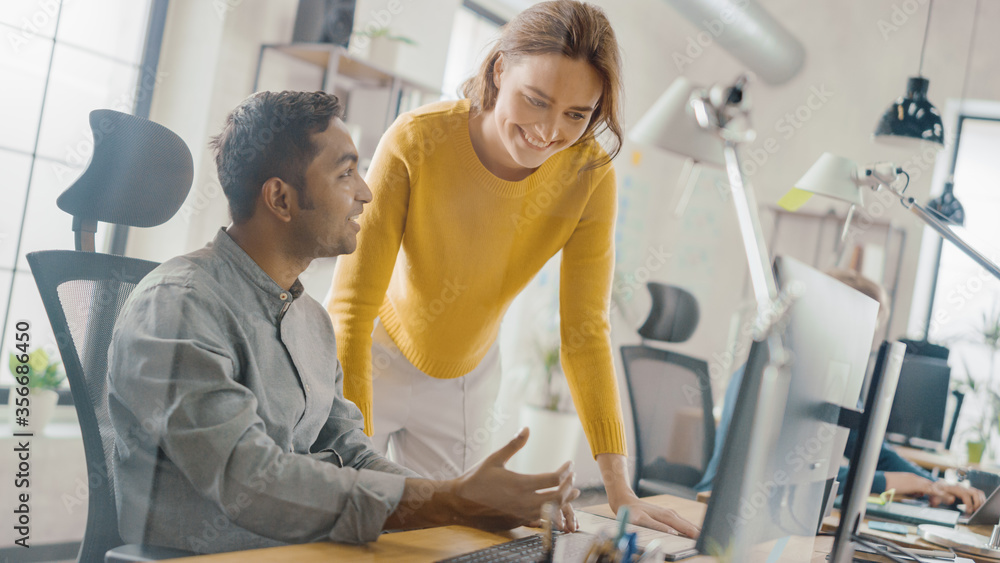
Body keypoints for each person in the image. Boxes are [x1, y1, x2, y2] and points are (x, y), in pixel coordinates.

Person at [107, 91, 579, 555]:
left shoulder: (310, 319)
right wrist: (448, 501)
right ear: (281, 198)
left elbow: (351, 451)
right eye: (345, 173)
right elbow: (249, 480)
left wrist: (462, 502)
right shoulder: (179, 307)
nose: (366, 192)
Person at [325, 0, 699, 538]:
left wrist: (618, 489)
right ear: (500, 71)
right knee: (348, 523)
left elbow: (584, 332)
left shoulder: (589, 175)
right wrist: (355, 453)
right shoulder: (416, 140)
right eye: (536, 100)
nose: (549, 132)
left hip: (465, 378)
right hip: (370, 357)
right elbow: (351, 308)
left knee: (440, 542)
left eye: (577, 114)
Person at [695, 269, 986, 513]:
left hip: (782, 509)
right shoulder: (778, 369)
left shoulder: (831, 374)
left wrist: (931, 484)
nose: (865, 344)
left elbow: (869, 448)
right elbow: (792, 468)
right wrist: (891, 482)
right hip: (725, 506)